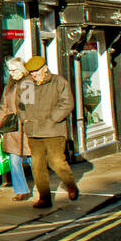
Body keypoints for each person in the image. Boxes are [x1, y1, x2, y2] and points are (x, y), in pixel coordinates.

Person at [16, 55, 78, 208]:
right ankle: (44, 197)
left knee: (56, 161)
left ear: (45, 68)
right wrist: (25, 120)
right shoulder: (27, 84)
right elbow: (22, 106)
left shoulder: (58, 82)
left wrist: (53, 119)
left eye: (36, 71)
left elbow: (67, 103)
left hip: (54, 131)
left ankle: (71, 185)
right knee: (37, 165)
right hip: (34, 131)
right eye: (31, 72)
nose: (34, 74)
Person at [0, 57, 33, 201]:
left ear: (21, 69)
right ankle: (21, 190)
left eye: (14, 70)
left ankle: (42, 188)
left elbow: (29, 106)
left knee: (32, 159)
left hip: (26, 126)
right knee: (14, 159)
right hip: (12, 127)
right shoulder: (9, 85)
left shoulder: (28, 83)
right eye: (9, 70)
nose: (11, 73)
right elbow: (4, 106)